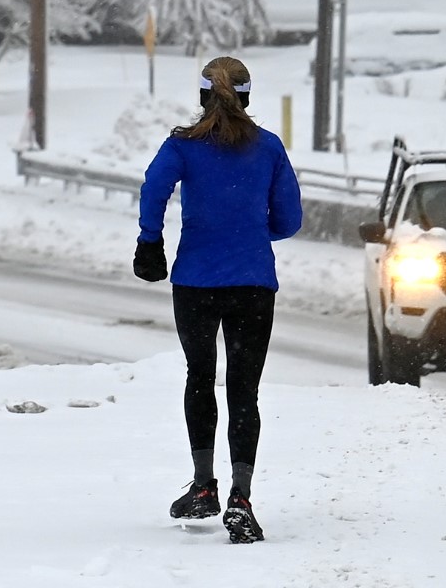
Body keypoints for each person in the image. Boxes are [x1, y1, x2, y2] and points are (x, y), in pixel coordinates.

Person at [135, 56, 302, 545]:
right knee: (244, 389)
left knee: (201, 378)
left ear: (204, 95)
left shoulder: (182, 148)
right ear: (247, 96)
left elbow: (153, 188)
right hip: (253, 282)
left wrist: (151, 241)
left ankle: (204, 486)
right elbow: (289, 221)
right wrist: (250, 232)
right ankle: (242, 499)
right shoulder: (269, 148)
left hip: (196, 283)